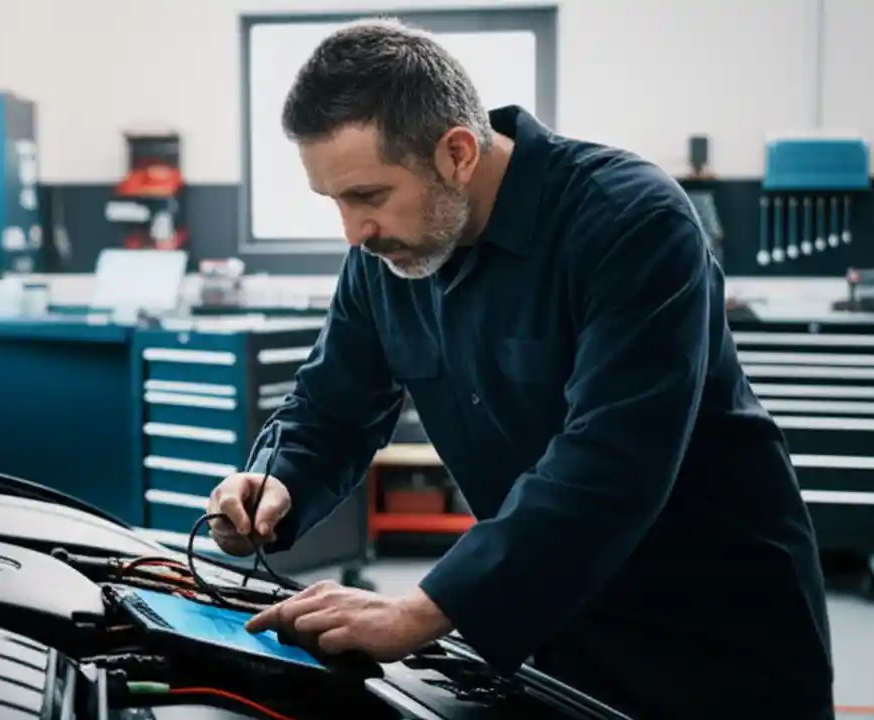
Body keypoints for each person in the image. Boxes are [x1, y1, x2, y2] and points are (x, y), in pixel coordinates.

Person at [206, 18, 835, 720]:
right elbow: (331, 408)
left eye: (368, 197)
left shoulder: (632, 222)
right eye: (335, 202)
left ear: (457, 153)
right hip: (550, 630)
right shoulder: (386, 259)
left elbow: (611, 463)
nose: (353, 233)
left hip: (716, 637)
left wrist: (424, 609)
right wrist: (277, 482)